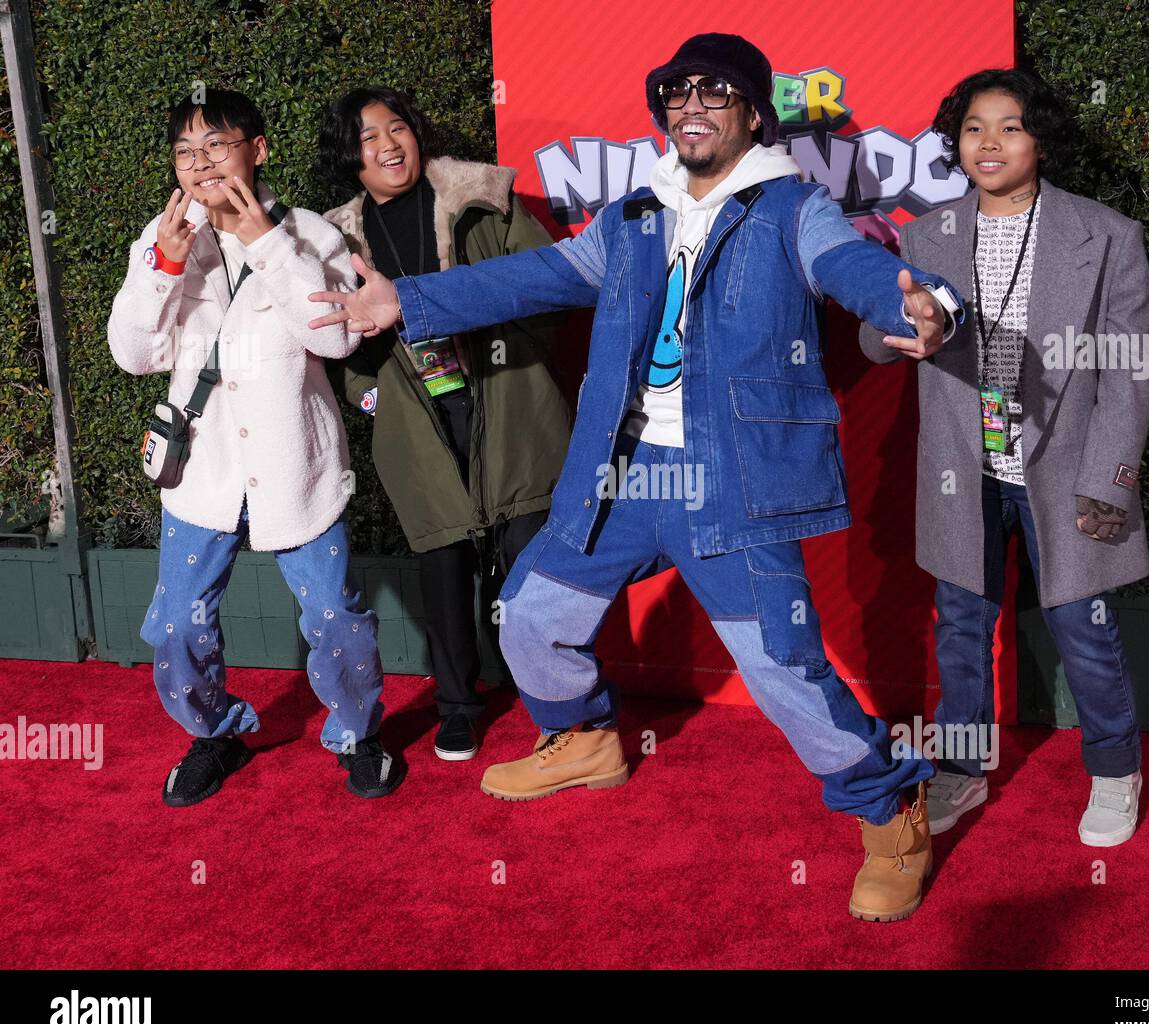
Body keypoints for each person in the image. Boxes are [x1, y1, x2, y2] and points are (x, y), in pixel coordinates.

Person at [309, 34, 966, 922]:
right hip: (621, 475)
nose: (692, 105)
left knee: (784, 671)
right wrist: (408, 301)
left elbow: (853, 266)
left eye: (715, 91)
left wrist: (912, 303)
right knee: (531, 618)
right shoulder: (633, 218)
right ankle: (584, 737)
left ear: (753, 113)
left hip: (732, 481)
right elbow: (537, 275)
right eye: (677, 92)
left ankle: (891, 812)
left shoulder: (792, 207)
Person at [859, 68, 1149, 847]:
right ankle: (962, 770)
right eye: (973, 128)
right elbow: (874, 340)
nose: (989, 143)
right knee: (960, 628)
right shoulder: (926, 235)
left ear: (1040, 140)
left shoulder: (1106, 235)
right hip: (966, 470)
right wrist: (904, 323)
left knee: (1081, 626)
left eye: (1010, 127)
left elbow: (1126, 376)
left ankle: (1115, 770)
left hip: (1066, 469)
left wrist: (1110, 481)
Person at [108, 89, 403, 805]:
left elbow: (337, 337)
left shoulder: (310, 234)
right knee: (176, 624)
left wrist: (267, 244)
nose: (201, 162)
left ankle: (358, 735)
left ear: (257, 149)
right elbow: (133, 355)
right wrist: (163, 268)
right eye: (186, 151)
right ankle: (215, 734)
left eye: (217, 144)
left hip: (295, 467)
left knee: (334, 616)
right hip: (202, 473)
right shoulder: (162, 236)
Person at [316, 88, 568, 762]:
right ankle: (457, 706)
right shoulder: (336, 241)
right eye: (368, 138)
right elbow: (335, 340)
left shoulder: (483, 199)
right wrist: (373, 398)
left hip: (507, 400)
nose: (388, 145)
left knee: (529, 558)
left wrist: (523, 359)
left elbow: (550, 281)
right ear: (349, 157)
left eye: (396, 128)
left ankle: (556, 702)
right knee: (444, 560)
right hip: (417, 416)